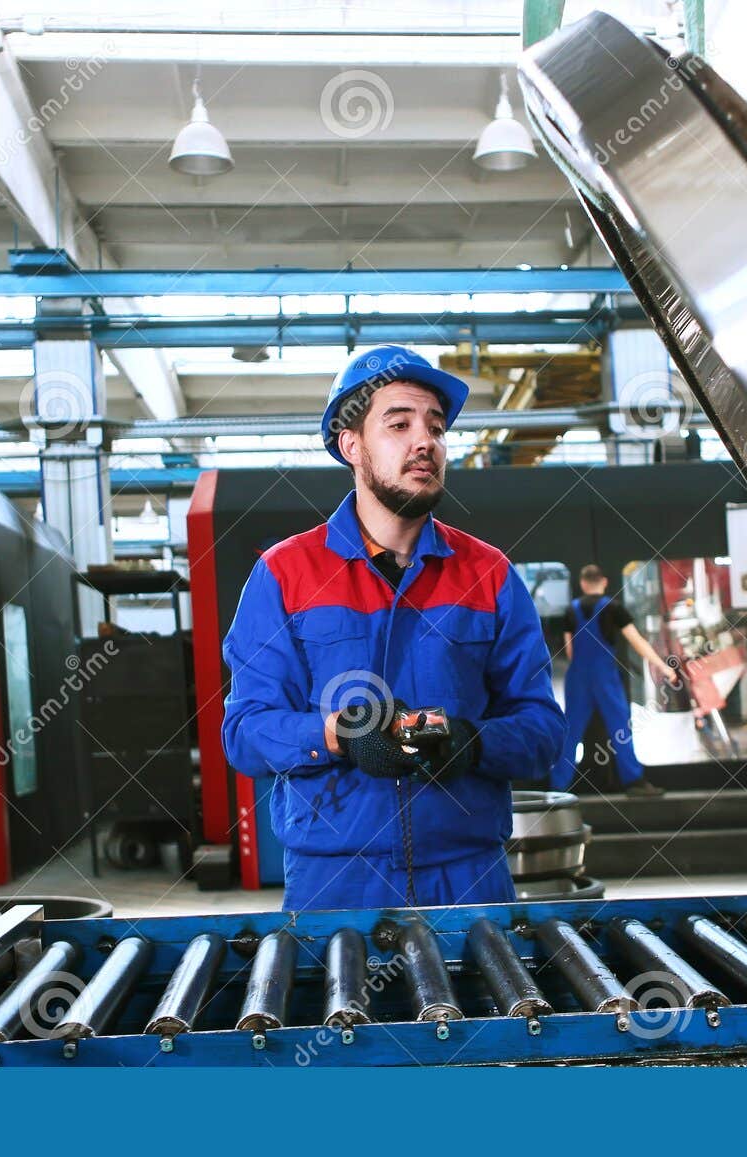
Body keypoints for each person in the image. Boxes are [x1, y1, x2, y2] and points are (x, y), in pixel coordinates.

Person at [221, 344, 564, 911]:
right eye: (398, 424)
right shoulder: (284, 573)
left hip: (470, 879)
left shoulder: (489, 574)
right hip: (334, 885)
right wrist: (340, 734)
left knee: (485, 1001)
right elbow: (246, 733)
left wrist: (471, 742)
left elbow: (543, 732)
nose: (424, 441)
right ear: (350, 444)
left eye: (435, 426)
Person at [552, 564, 673, 797]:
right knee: (620, 727)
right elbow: (637, 641)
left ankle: (558, 787)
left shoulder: (571, 610)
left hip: (578, 676)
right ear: (604, 582)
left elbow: (569, 650)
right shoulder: (614, 609)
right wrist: (662, 667)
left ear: (583, 584)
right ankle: (634, 782)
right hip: (605, 676)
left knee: (571, 730)